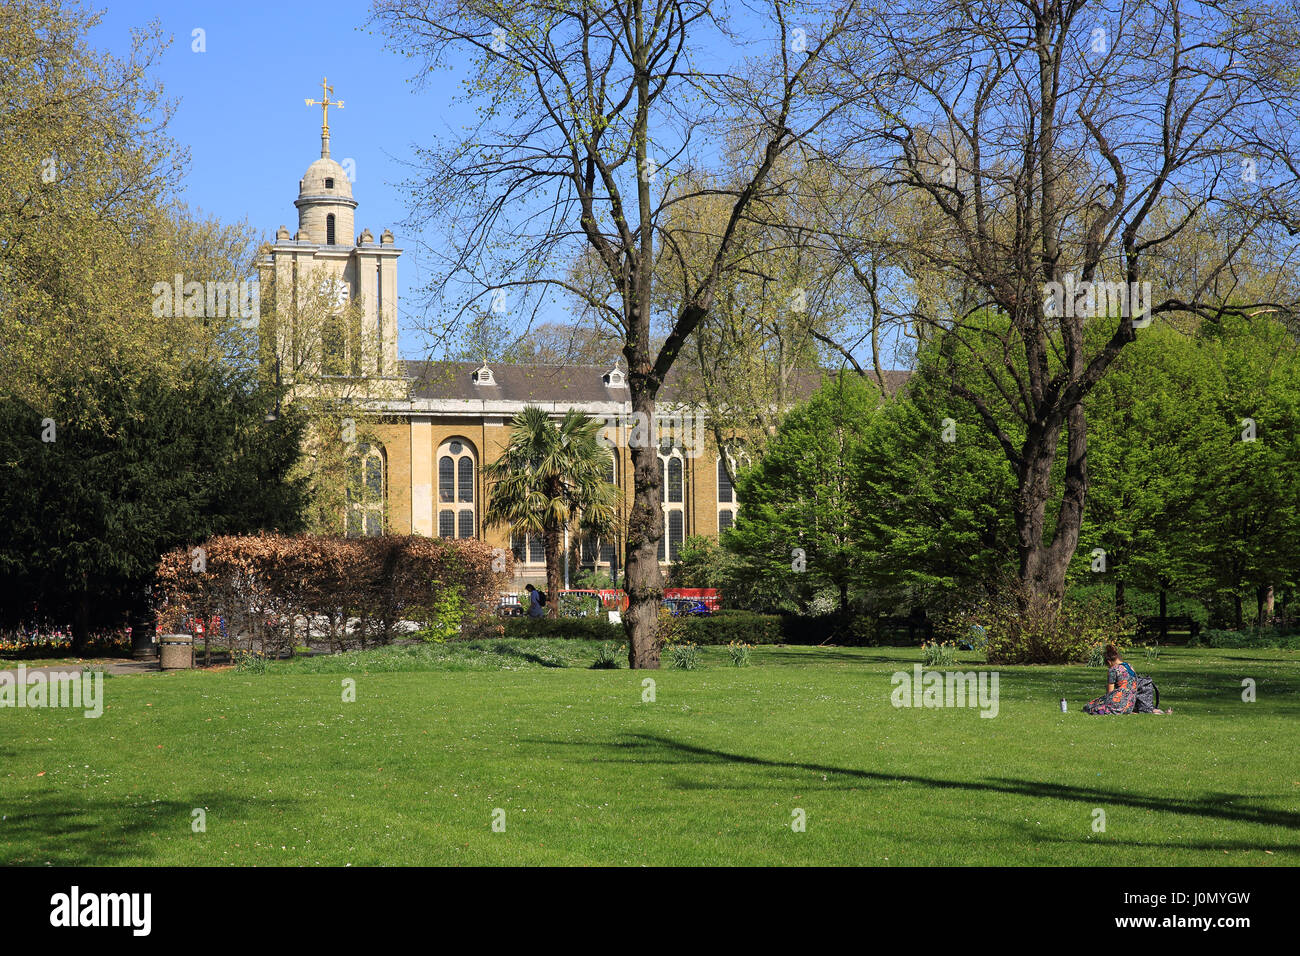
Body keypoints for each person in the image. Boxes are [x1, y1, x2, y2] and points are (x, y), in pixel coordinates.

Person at [1083, 644, 1138, 715]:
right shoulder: (1130, 666)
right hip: (1129, 706)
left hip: (1117, 705)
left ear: (1109, 662)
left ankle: (1103, 711)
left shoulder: (1113, 670)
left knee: (1088, 706)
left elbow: (1110, 693)